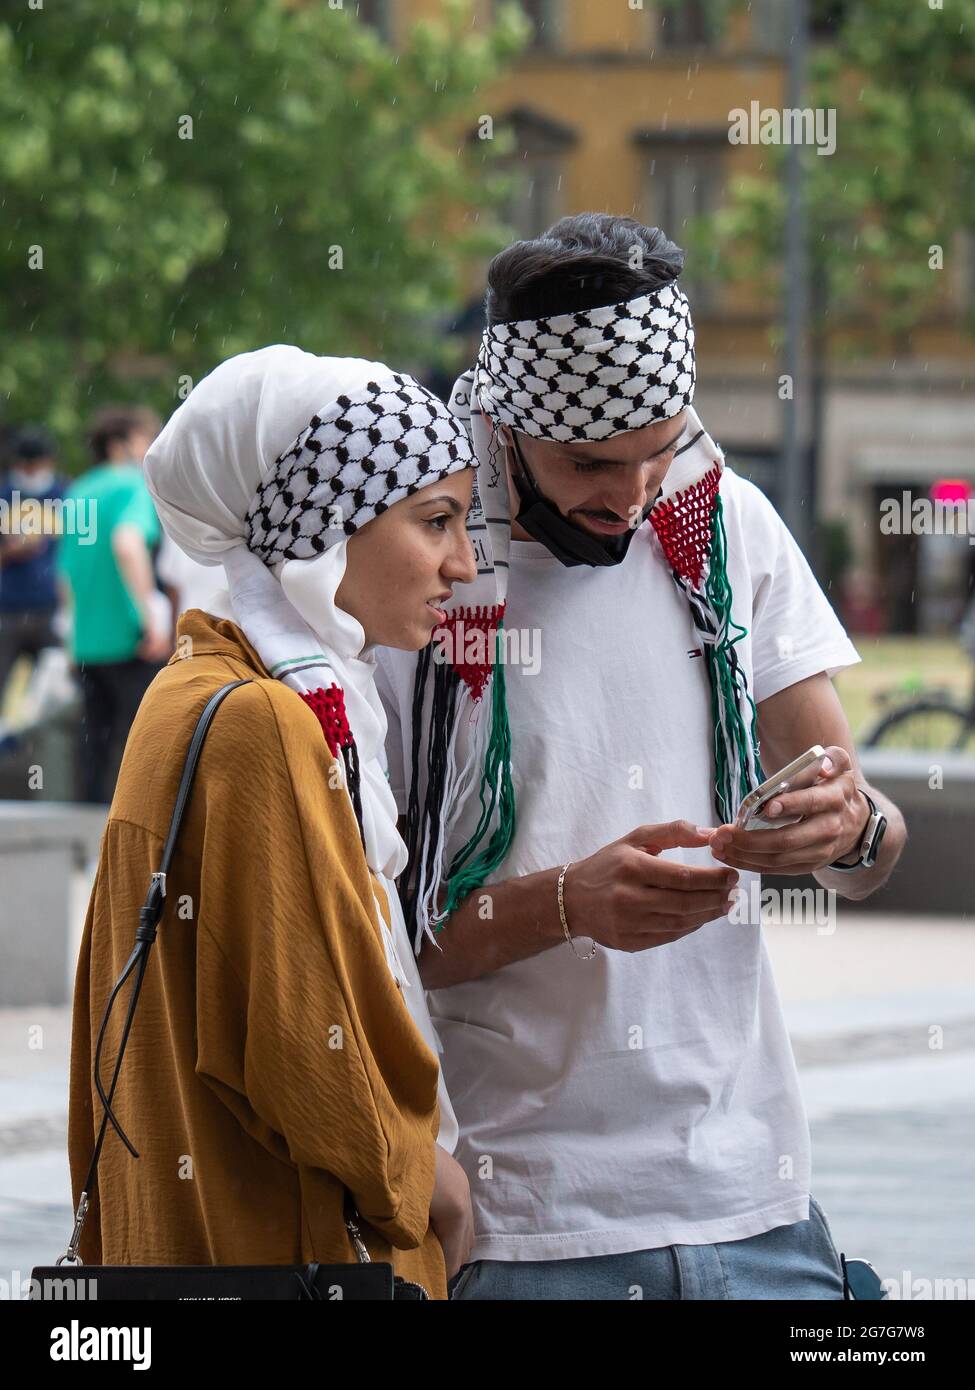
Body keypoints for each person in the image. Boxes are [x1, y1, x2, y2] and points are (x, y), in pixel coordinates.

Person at [374, 214, 908, 1300]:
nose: (633, 494)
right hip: (528, 1228)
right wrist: (568, 902)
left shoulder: (725, 529)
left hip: (757, 1202)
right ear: (508, 424)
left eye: (662, 450)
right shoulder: (421, 569)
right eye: (592, 464)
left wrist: (845, 829)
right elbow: (370, 940)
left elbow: (870, 842)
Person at [68, 346, 478, 1299]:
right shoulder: (261, 722)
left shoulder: (197, 686)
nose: (462, 563)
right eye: (436, 521)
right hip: (288, 1246)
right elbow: (305, 1043)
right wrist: (429, 1185)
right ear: (326, 528)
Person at [57, 406, 170, 802]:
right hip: (130, 635)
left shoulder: (76, 492)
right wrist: (150, 615)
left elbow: (64, 574)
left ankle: (85, 840)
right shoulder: (132, 486)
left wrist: (71, 636)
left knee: (94, 740)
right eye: (144, 440)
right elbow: (127, 543)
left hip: (87, 640)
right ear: (120, 444)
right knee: (146, 739)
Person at [0, 427, 65, 707]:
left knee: (56, 693)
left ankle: (40, 750)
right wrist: (10, 551)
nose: (31, 470)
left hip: (51, 606)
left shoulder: (65, 493)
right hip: (8, 609)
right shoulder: (4, 494)